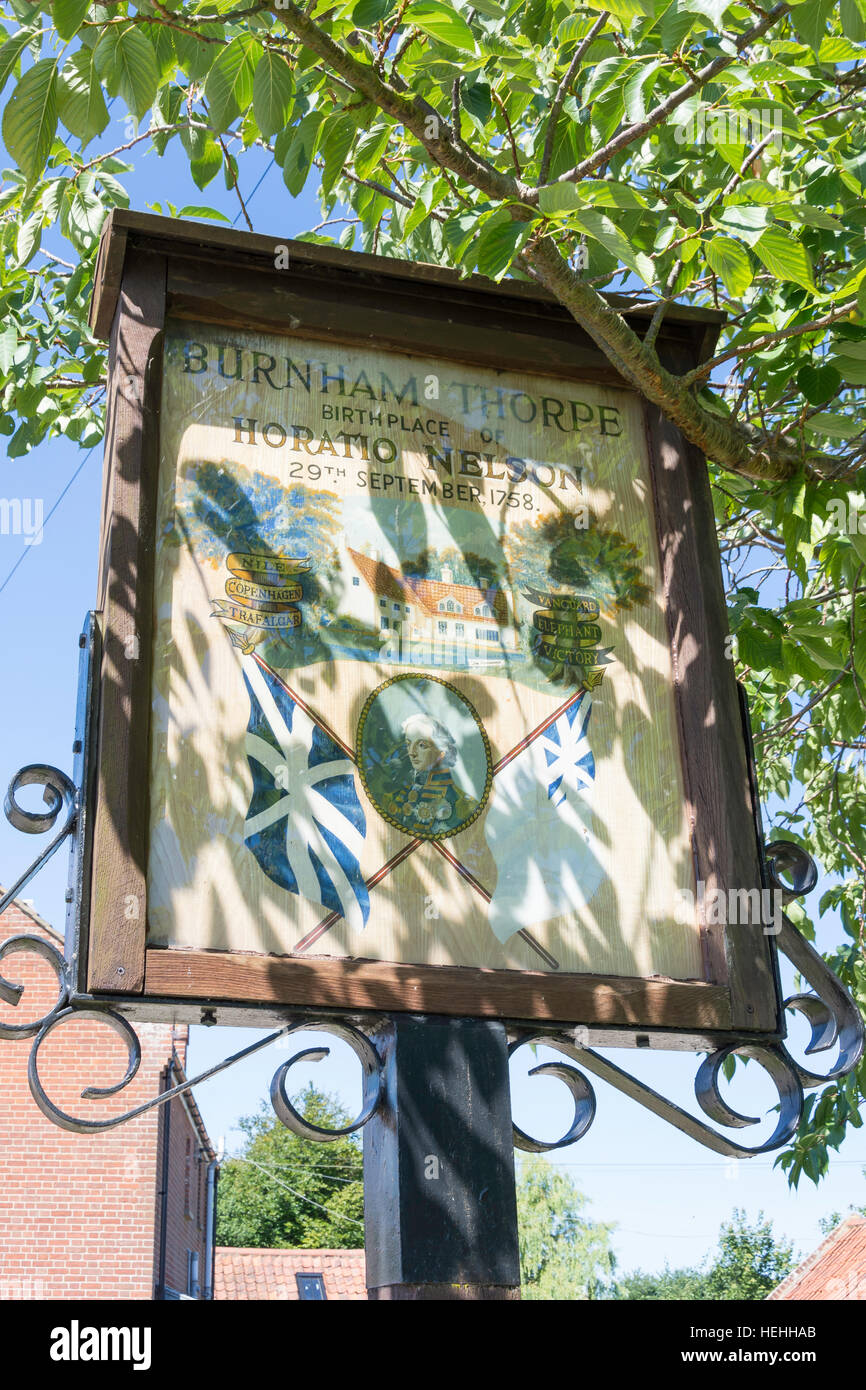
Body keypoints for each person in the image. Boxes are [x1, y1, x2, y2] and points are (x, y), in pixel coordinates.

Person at [384, 713, 477, 835]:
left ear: (442, 751)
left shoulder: (463, 804)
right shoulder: (402, 794)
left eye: (422, 745)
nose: (412, 752)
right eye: (408, 744)